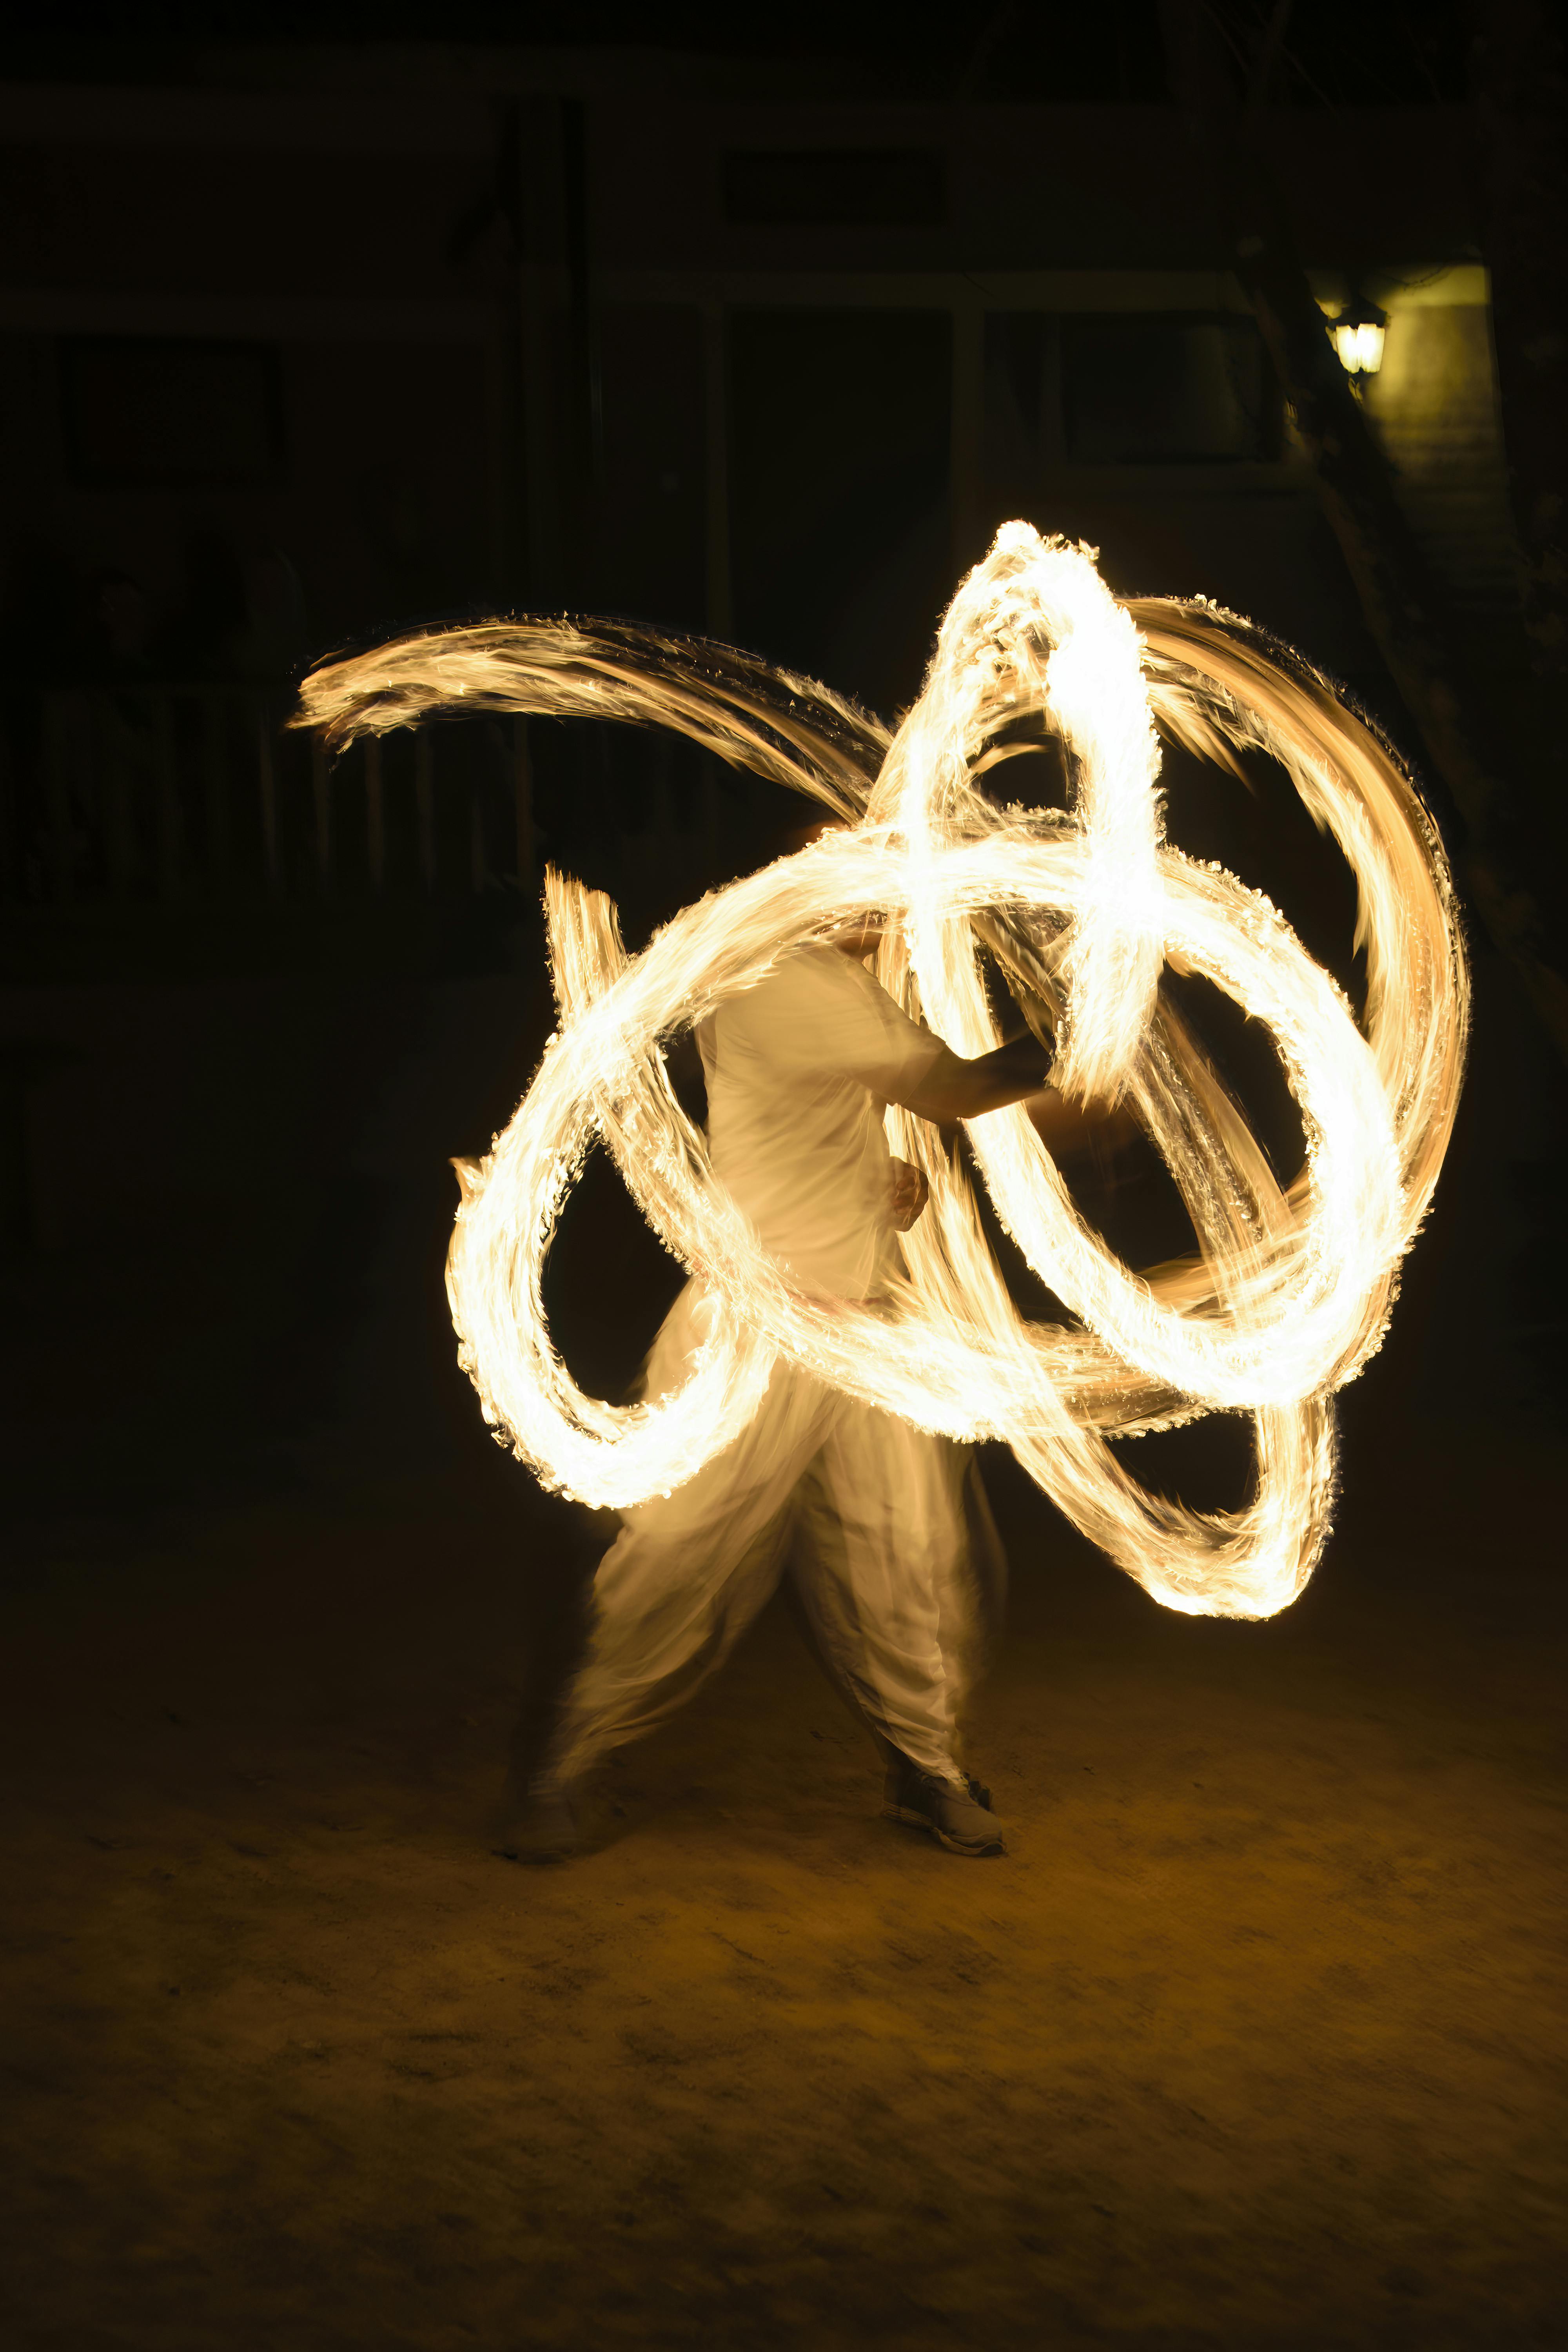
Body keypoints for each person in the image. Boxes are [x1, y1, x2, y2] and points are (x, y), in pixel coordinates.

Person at [496, 910, 1112, 1864]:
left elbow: (823, 1113)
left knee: (904, 1555)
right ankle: (554, 1770)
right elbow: (951, 1089)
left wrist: (881, 1179)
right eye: (841, 856)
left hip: (862, 1328)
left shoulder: (837, 975)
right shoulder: (778, 980)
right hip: (755, 1335)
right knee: (675, 1552)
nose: (883, 895)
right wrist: (1088, 1025)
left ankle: (924, 1769)